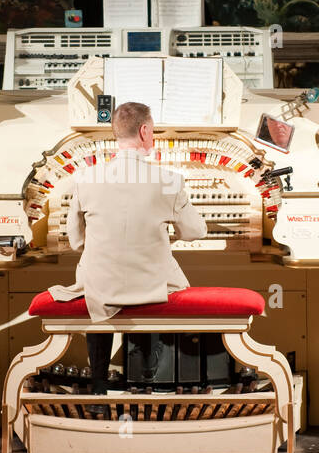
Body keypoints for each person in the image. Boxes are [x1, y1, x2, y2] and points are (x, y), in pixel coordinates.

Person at [48, 100, 207, 390]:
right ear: (145, 131)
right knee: (159, 279)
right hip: (151, 286)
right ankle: (150, 382)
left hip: (102, 286)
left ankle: (98, 385)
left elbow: (75, 241)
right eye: (154, 131)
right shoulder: (169, 180)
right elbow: (197, 231)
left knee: (96, 278)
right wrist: (164, 236)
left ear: (116, 133)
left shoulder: (86, 177)